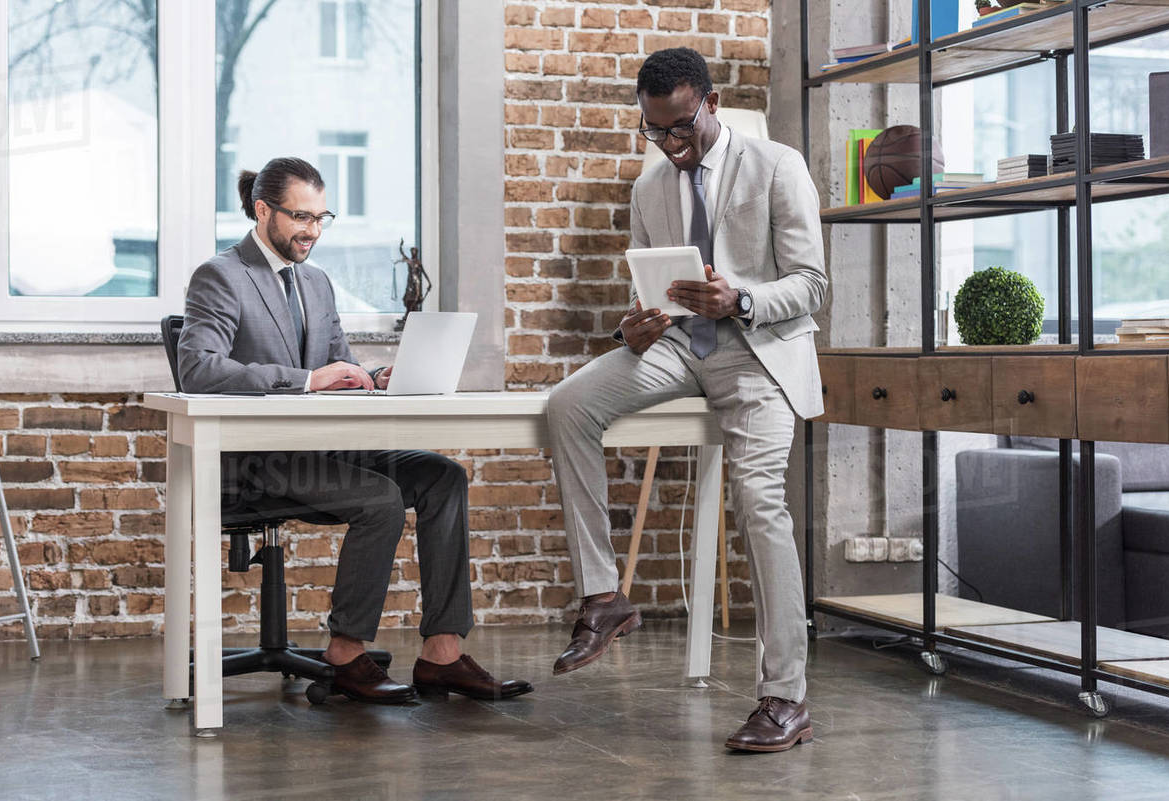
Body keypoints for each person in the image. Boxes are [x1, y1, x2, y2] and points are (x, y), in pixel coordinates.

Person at [546, 48, 827, 752]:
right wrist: (631, 324)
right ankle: (605, 595)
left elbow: (812, 284)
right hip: (676, 347)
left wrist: (743, 296)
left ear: (711, 103)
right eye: (655, 131)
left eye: (680, 128)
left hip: (754, 350)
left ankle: (786, 697)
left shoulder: (776, 166)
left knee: (759, 505)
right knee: (568, 404)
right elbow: (646, 288)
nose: (671, 144)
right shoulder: (649, 188)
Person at [177, 157, 531, 703]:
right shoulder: (222, 275)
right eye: (301, 217)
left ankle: (443, 653)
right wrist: (306, 379)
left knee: (443, 478)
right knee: (380, 498)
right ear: (262, 209)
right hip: (259, 460)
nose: (313, 232)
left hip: (325, 449)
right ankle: (344, 653)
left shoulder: (317, 283)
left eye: (322, 218)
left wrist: (372, 376)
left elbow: (339, 363)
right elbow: (199, 367)